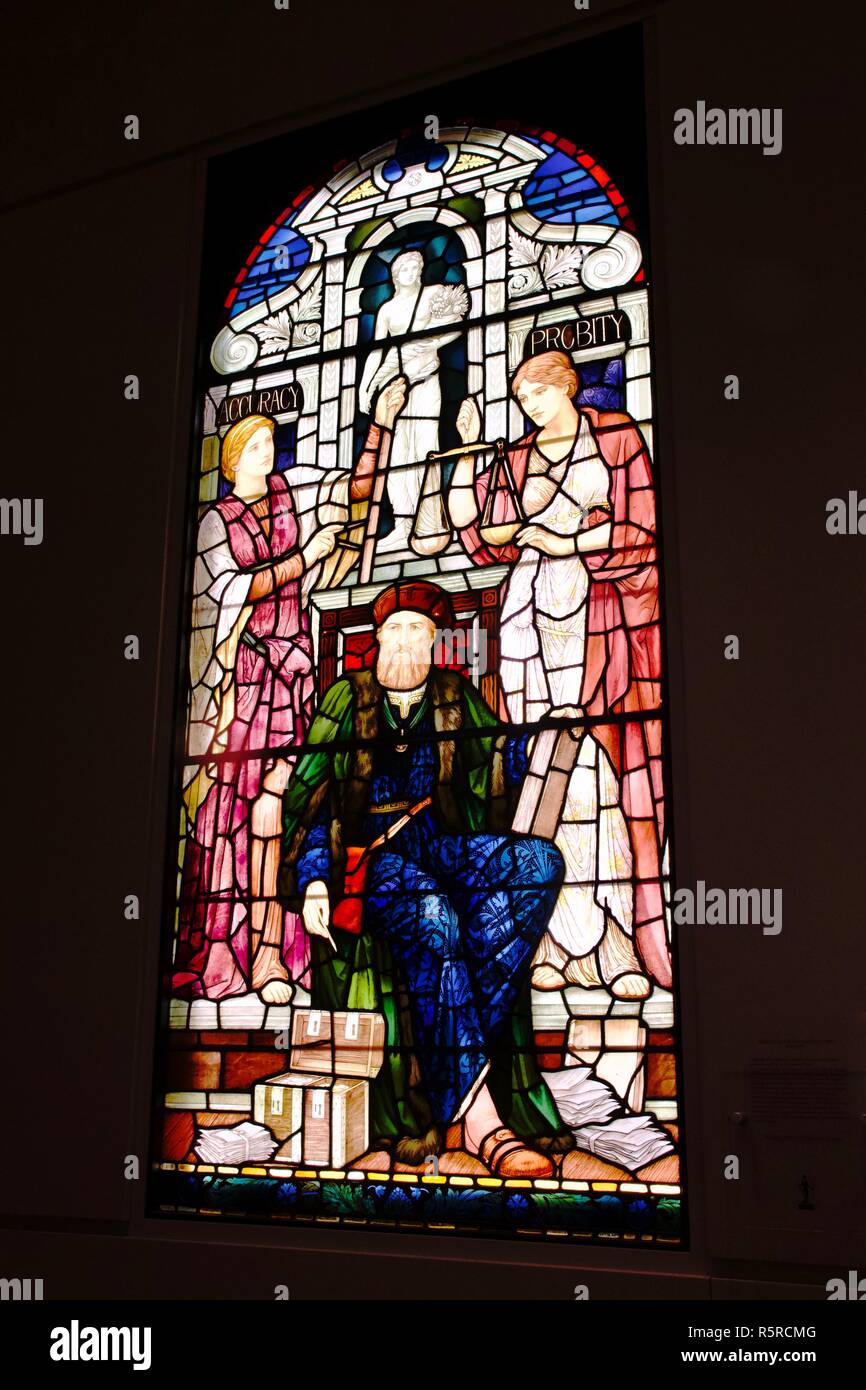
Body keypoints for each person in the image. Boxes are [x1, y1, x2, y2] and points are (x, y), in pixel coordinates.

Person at [277, 580, 576, 1176]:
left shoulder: (452, 695)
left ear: (435, 640)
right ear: (378, 638)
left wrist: (545, 735)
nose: (408, 640)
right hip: (372, 859)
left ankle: (454, 1057)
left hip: (441, 845)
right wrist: (314, 880)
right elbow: (311, 800)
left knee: (539, 866)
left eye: (421, 629)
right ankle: (481, 1119)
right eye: (398, 629)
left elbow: (497, 757)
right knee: (435, 913)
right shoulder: (345, 699)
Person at [447, 350, 671, 996]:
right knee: (538, 774)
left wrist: (564, 541)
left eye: (536, 396)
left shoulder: (617, 435)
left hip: (594, 611)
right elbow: (479, 535)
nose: (529, 409)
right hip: (526, 612)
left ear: (566, 388)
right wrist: (466, 454)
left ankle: (615, 941)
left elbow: (643, 529)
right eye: (522, 401)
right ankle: (545, 939)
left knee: (595, 774)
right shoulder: (516, 456)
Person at [174, 383, 406, 1003]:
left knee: (292, 809)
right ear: (231, 461)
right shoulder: (213, 523)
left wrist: (379, 427)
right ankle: (238, 949)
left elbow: (353, 498)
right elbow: (226, 592)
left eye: (271, 443)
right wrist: (302, 559)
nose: (267, 454)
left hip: (294, 675)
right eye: (255, 447)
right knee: (240, 810)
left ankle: (278, 952)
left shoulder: (289, 492)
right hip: (246, 683)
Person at [357, 250, 468, 553]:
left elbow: (457, 323)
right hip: (395, 387)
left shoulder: (434, 294)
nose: (413, 271)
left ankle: (428, 523)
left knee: (424, 448)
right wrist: (365, 389)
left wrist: (428, 343)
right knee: (395, 456)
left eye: (417, 267)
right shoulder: (388, 311)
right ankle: (403, 524)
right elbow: (378, 352)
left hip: (426, 381)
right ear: (395, 275)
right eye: (406, 267)